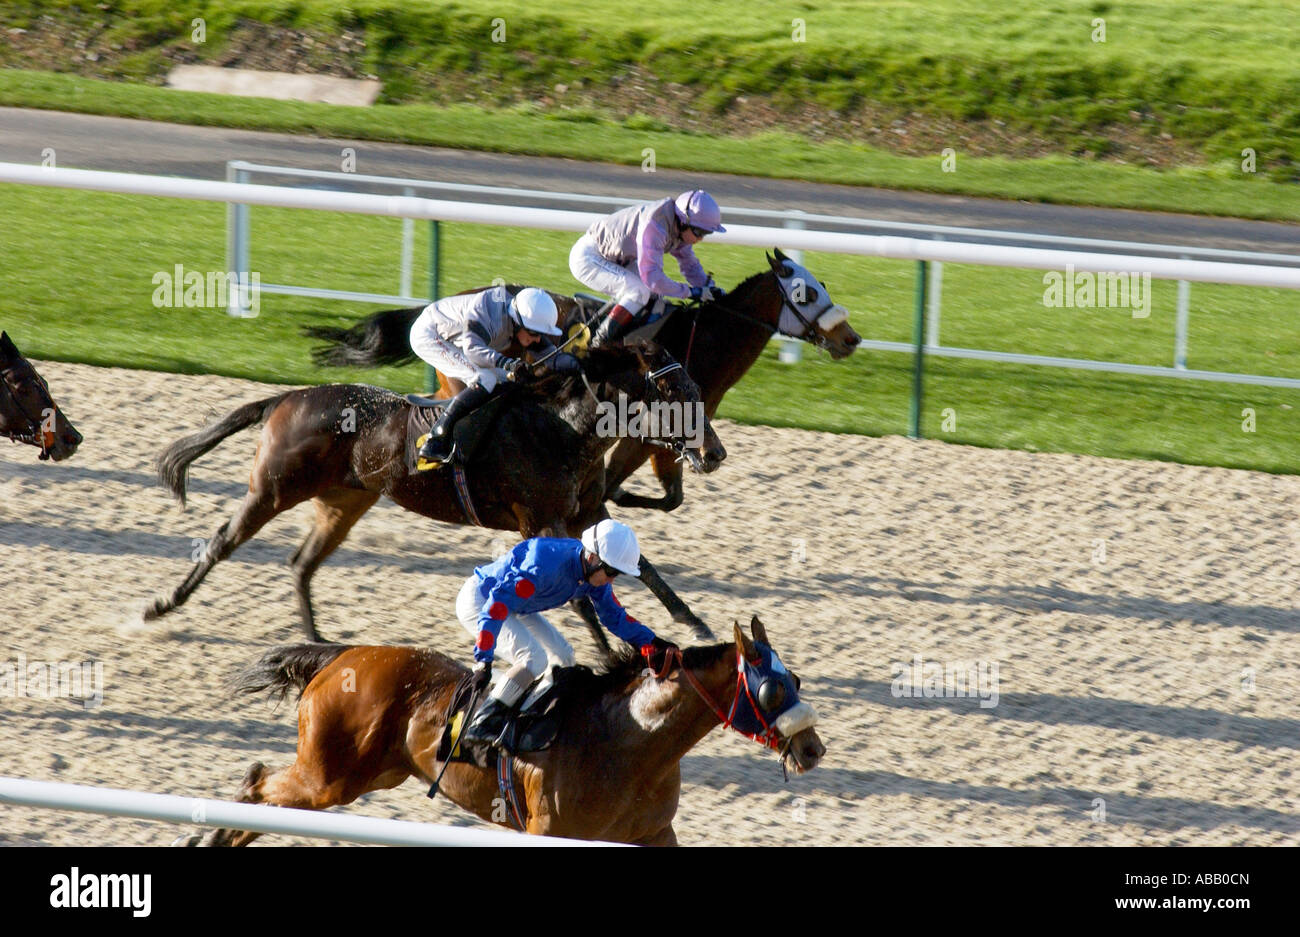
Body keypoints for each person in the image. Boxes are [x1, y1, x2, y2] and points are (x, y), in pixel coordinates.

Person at [456, 519, 678, 748]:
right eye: (611, 571)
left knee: (563, 658)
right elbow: (496, 607)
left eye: (617, 574)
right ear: (592, 557)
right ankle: (482, 722)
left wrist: (653, 641)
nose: (612, 579)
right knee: (534, 658)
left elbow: (614, 617)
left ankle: (523, 717)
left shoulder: (593, 573)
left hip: (519, 606)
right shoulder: (542, 566)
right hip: (481, 602)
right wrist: (483, 661)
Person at [409, 285, 582, 466]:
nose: (538, 339)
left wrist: (581, 365)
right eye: (534, 333)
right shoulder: (486, 310)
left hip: (458, 340)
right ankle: (436, 439)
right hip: (430, 336)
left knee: (509, 379)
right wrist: (507, 363)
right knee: (485, 378)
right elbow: (473, 349)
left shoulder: (522, 321)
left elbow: (553, 358)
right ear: (519, 322)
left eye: (541, 334)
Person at [568, 189, 727, 347]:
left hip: (617, 259)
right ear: (684, 222)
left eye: (706, 234)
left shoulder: (679, 227)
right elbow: (653, 279)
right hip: (589, 257)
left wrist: (710, 289)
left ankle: (634, 345)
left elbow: (690, 266)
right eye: (699, 232)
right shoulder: (655, 225)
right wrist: (691, 292)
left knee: (656, 297)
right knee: (638, 291)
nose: (700, 239)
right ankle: (599, 344)